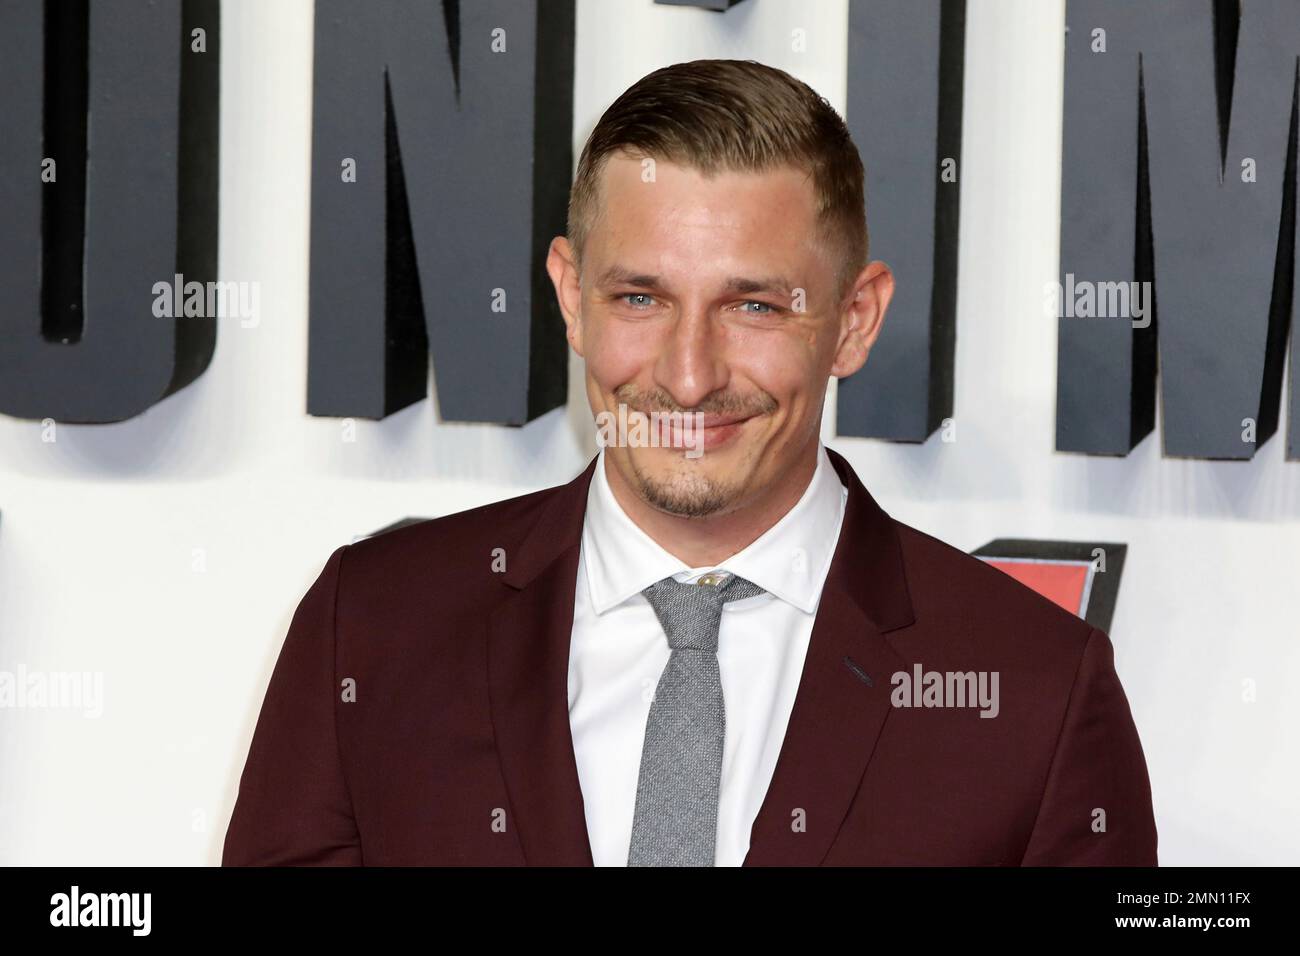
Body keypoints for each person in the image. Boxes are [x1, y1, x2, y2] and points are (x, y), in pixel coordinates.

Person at [223, 59, 1157, 866]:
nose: (689, 375)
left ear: (855, 320)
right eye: (640, 297)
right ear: (570, 298)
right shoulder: (376, 630)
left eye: (753, 307)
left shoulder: (1034, 692)